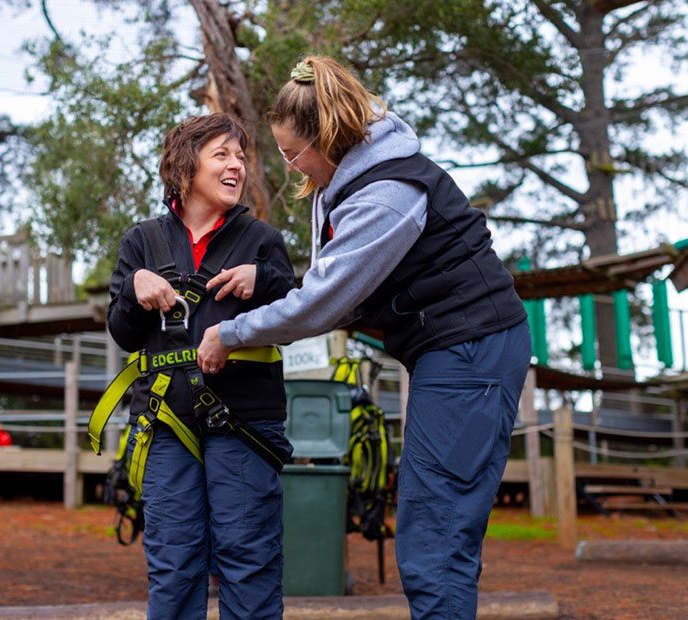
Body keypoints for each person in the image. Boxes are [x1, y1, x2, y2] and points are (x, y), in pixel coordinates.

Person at [198, 56, 531, 620]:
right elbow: (337, 279)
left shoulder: (388, 192)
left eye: (290, 153)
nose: (288, 165)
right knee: (436, 528)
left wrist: (229, 333)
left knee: (435, 533)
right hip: (450, 352)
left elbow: (327, 302)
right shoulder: (352, 182)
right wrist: (273, 281)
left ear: (326, 139)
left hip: (470, 352)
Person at [107, 113, 295, 620]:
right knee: (174, 562)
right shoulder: (142, 243)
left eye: (240, 156)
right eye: (222, 155)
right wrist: (134, 287)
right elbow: (123, 333)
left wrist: (267, 281)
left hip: (245, 422)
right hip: (166, 423)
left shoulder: (262, 241)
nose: (237, 165)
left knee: (248, 557)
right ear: (187, 167)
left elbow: (299, 314)